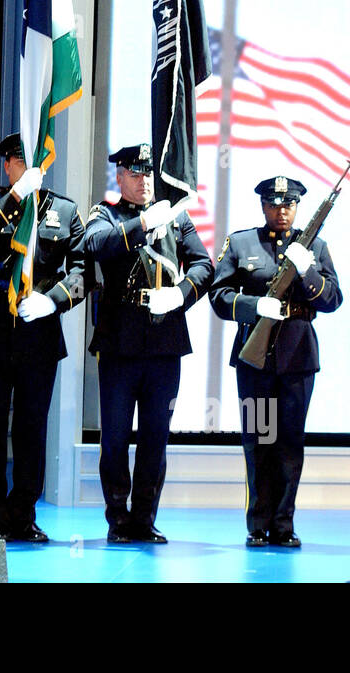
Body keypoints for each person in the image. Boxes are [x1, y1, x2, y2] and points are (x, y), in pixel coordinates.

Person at [0, 132, 88, 543]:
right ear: (8, 165)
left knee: (32, 427)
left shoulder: (64, 210)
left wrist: (55, 300)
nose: (29, 167)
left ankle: (24, 511)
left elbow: (84, 269)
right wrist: (15, 196)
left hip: (39, 331)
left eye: (35, 161)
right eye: (20, 161)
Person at [83, 143, 213, 544]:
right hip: (120, 344)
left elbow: (204, 265)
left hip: (164, 341)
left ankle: (144, 517)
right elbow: (93, 245)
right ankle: (118, 518)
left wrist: (181, 295)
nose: (144, 181)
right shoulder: (105, 214)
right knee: (116, 438)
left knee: (156, 436)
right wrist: (140, 225)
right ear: (119, 176)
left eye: (149, 173)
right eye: (135, 173)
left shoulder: (177, 217)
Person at [208, 176, 343, 548]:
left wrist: (307, 271)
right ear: (263, 206)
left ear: (297, 207)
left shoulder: (314, 246)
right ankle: (258, 523)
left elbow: (333, 299)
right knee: (258, 441)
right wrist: (254, 306)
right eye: (274, 204)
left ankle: (283, 524)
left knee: (289, 444)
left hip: (298, 358)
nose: (281, 211)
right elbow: (219, 296)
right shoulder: (240, 243)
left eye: (289, 204)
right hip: (256, 359)